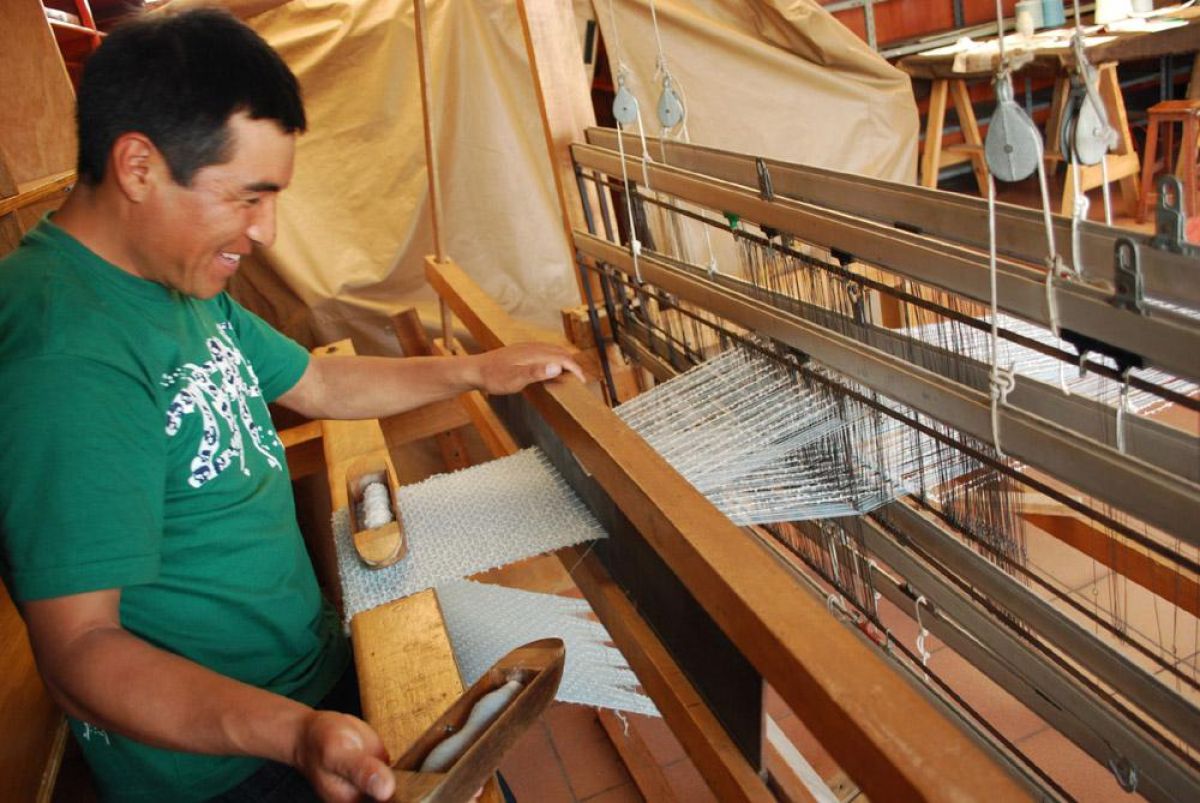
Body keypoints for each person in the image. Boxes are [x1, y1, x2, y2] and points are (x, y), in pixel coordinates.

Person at [0, 8, 582, 802]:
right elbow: (80, 652)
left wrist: (477, 370)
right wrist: (293, 733)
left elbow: (316, 382)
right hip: (223, 764)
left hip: (305, 678)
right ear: (137, 167)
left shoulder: (168, 278)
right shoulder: (65, 354)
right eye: (248, 197)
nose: (266, 231)